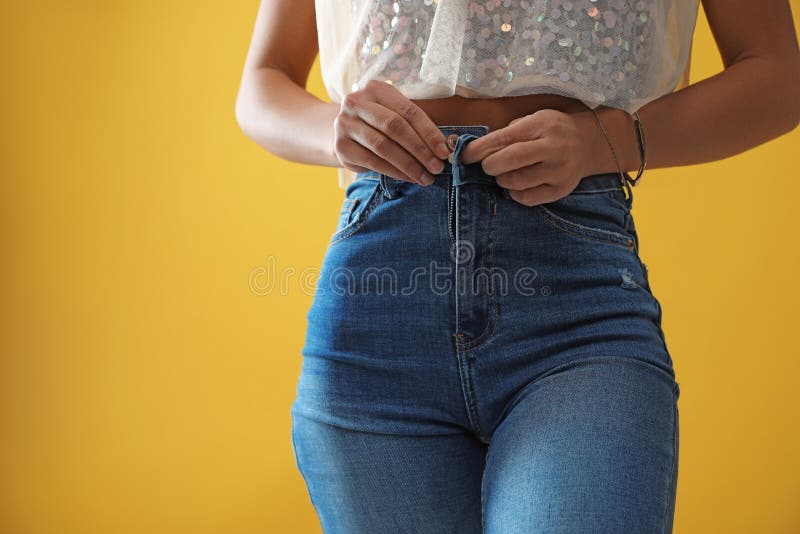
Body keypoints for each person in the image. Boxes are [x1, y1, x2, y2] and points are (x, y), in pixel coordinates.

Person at [235, 1, 800, 532]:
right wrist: (337, 132)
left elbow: (778, 77)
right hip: (375, 316)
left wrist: (603, 141)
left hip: (576, 306)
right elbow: (263, 81)